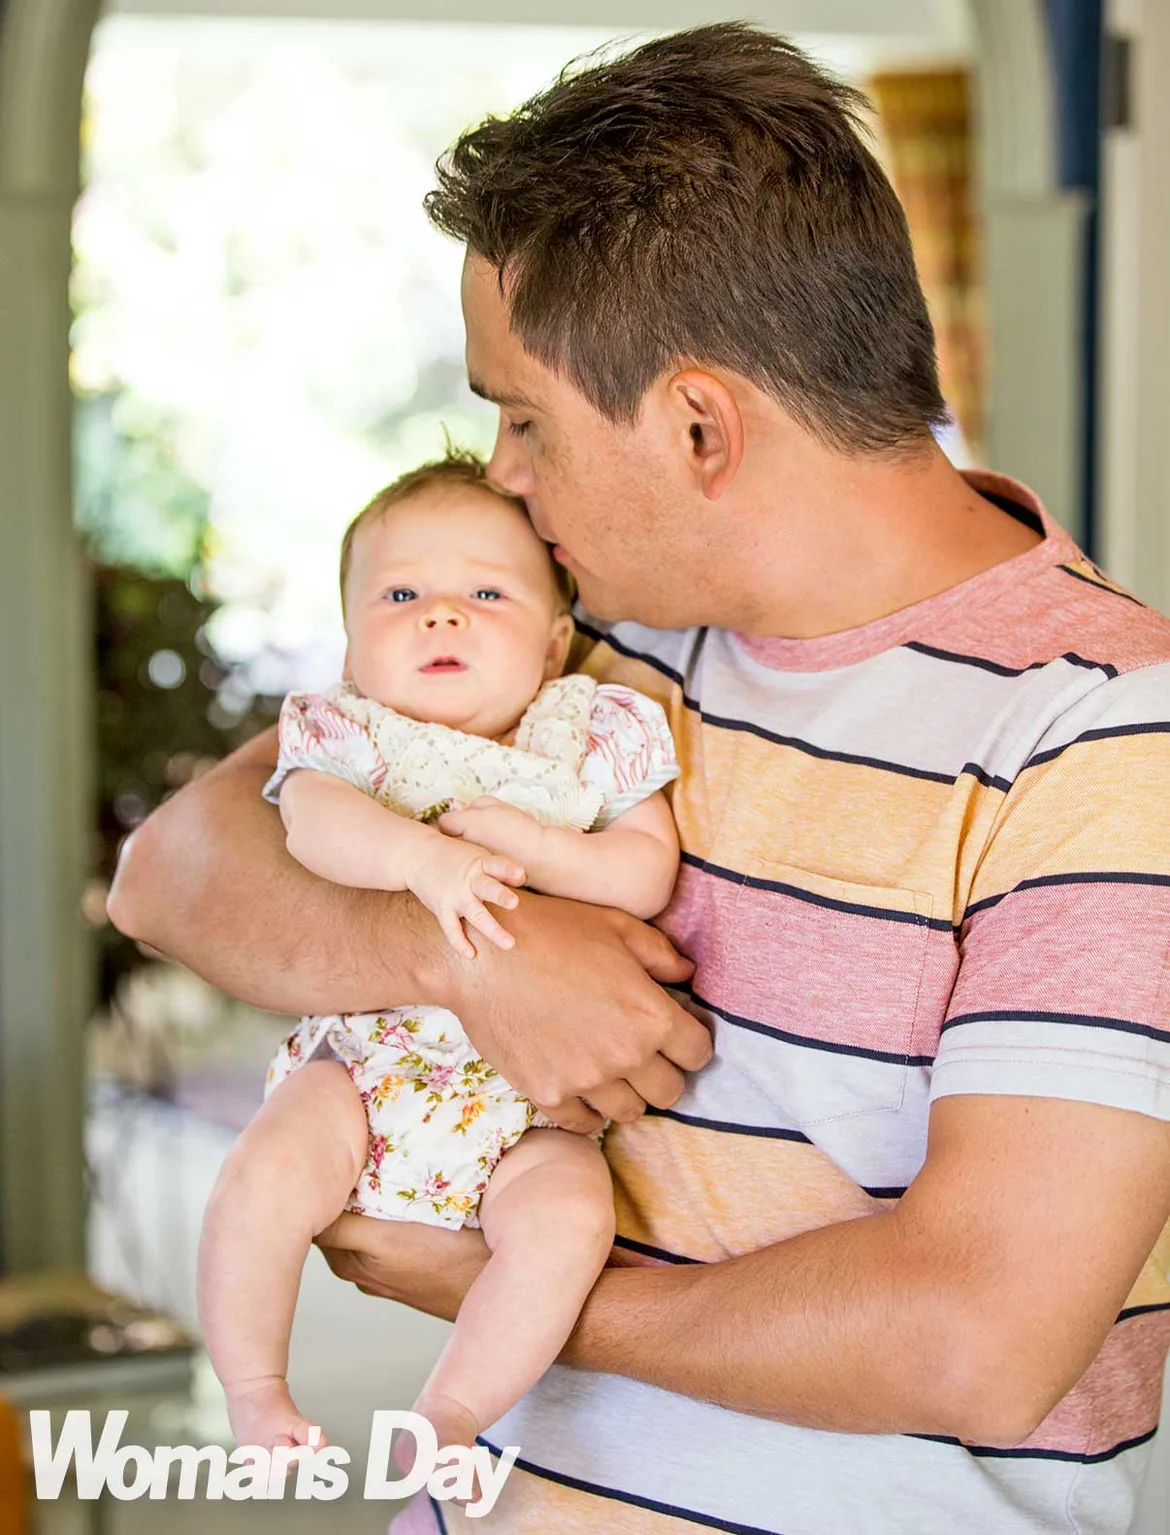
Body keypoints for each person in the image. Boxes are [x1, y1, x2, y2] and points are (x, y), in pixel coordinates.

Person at [109, 23, 1170, 1535]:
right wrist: (470, 958)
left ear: (696, 425)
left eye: (523, 416)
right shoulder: (588, 626)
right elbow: (178, 869)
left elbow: (980, 1339)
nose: (499, 479)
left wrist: (517, 1295)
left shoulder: (1108, 730)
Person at [196, 453, 680, 1456]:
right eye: (402, 592)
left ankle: (452, 1410)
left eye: (485, 592)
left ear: (554, 640)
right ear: (350, 641)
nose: (441, 615)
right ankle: (254, 1388)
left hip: (534, 1106)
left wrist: (544, 846)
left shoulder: (591, 729)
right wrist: (425, 859)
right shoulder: (353, 734)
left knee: (566, 1222)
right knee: (267, 1168)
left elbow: (643, 872)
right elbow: (312, 828)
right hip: (366, 1070)